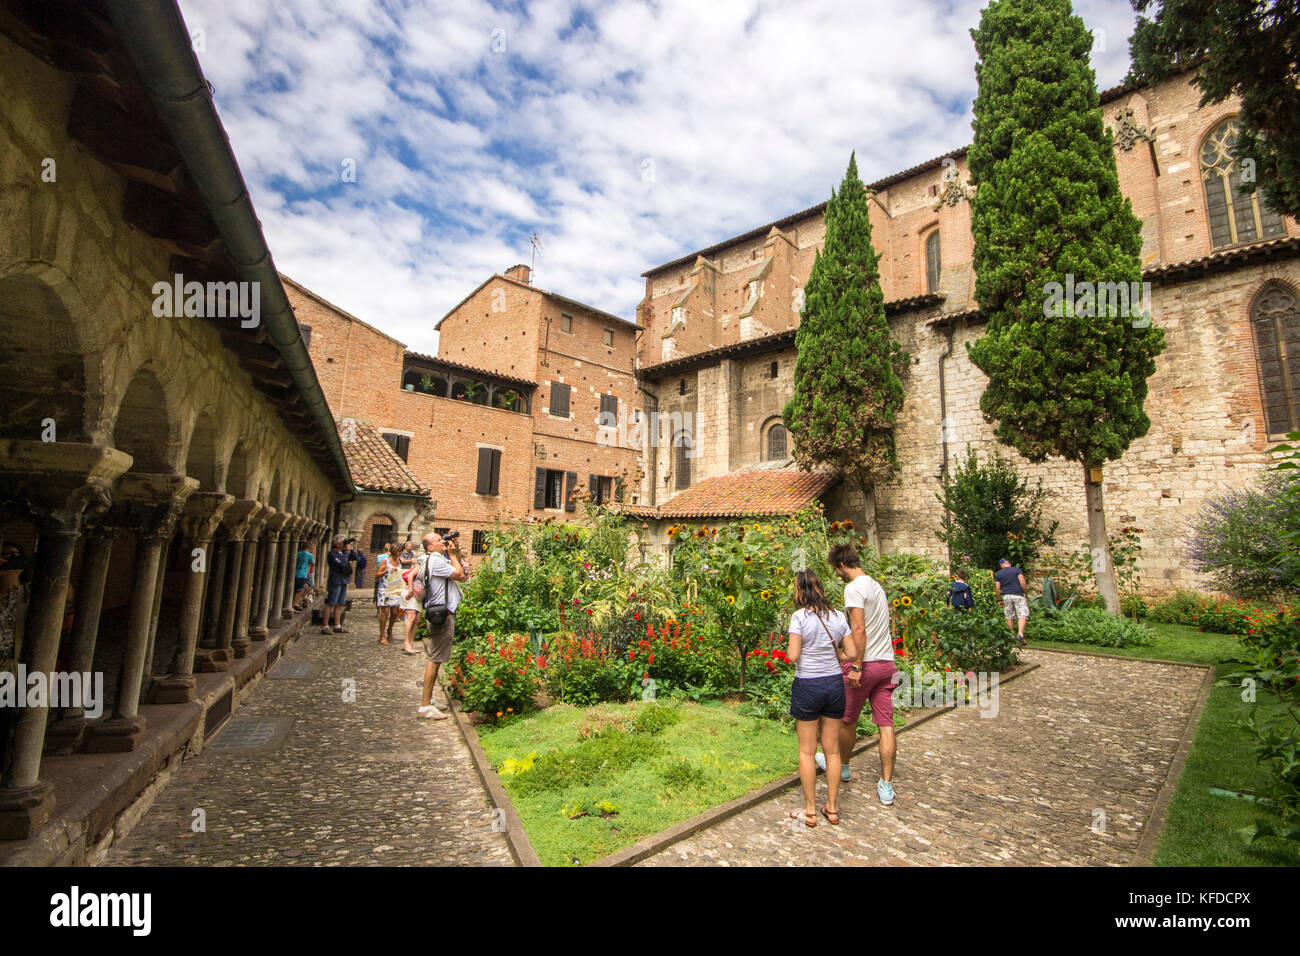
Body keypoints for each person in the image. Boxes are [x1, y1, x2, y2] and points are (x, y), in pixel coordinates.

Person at [823, 542, 899, 807]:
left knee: (848, 720)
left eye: (836, 570)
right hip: (887, 663)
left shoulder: (853, 588)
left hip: (866, 665)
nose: (836, 575)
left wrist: (856, 664)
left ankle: (843, 767)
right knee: (886, 725)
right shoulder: (875, 585)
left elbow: (859, 629)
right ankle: (886, 784)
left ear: (842, 565)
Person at [786, 569, 855, 827]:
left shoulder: (799, 617)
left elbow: (793, 655)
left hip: (808, 685)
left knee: (807, 751)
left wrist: (804, 649)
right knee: (833, 750)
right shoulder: (837, 616)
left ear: (800, 590)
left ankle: (811, 810)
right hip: (834, 685)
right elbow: (852, 652)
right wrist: (835, 654)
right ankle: (833, 808)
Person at [413, 532, 467, 719]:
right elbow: (459, 574)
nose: (442, 541)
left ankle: (429, 700)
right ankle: (425, 706)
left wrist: (455, 551)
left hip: (438, 613)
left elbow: (455, 567)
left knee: (435, 660)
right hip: (442, 616)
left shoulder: (432, 560)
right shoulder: (436, 562)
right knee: (435, 660)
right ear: (429, 547)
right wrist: (452, 555)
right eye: (438, 540)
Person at [322, 536, 355, 634]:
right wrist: (347, 553)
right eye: (342, 542)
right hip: (336, 580)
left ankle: (337, 625)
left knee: (340, 603)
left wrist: (351, 549)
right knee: (331, 603)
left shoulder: (344, 552)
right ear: (337, 544)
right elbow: (343, 563)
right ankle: (325, 626)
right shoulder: (332, 554)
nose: (344, 543)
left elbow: (354, 557)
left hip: (344, 580)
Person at [994, 557, 1029, 644]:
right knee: (1023, 614)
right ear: (1009, 563)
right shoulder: (1017, 570)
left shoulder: (998, 574)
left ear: (1001, 565)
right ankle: (1020, 634)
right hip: (1018, 595)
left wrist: (999, 599)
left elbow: (997, 588)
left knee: (1009, 616)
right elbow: (1022, 582)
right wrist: (1026, 593)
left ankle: (1011, 636)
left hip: (1006, 596)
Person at [376, 543, 404, 646]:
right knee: (385, 611)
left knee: (395, 612)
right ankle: (382, 635)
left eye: (401, 551)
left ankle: (390, 630)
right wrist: (387, 571)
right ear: (394, 550)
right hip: (385, 588)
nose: (400, 553)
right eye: (399, 551)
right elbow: (377, 574)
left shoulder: (399, 561)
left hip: (395, 588)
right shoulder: (385, 561)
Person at [293, 544, 314, 610]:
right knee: (300, 590)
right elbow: (313, 563)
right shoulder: (309, 555)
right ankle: (295, 603)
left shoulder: (298, 553)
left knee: (298, 588)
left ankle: (298, 601)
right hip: (303, 574)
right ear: (310, 548)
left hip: (295, 573)